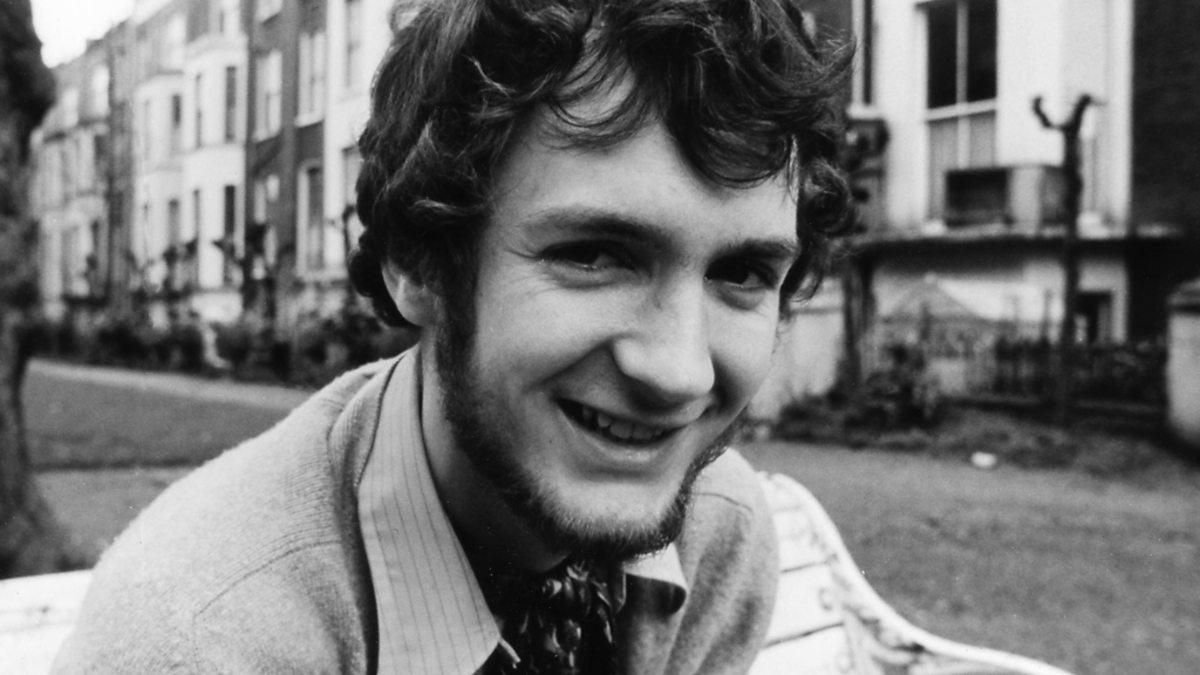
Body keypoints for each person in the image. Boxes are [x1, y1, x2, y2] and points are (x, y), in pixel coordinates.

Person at [53, 0, 851, 672]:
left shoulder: (717, 532)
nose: (679, 371)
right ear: (420, 264)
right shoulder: (202, 641)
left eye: (742, 272)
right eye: (594, 255)